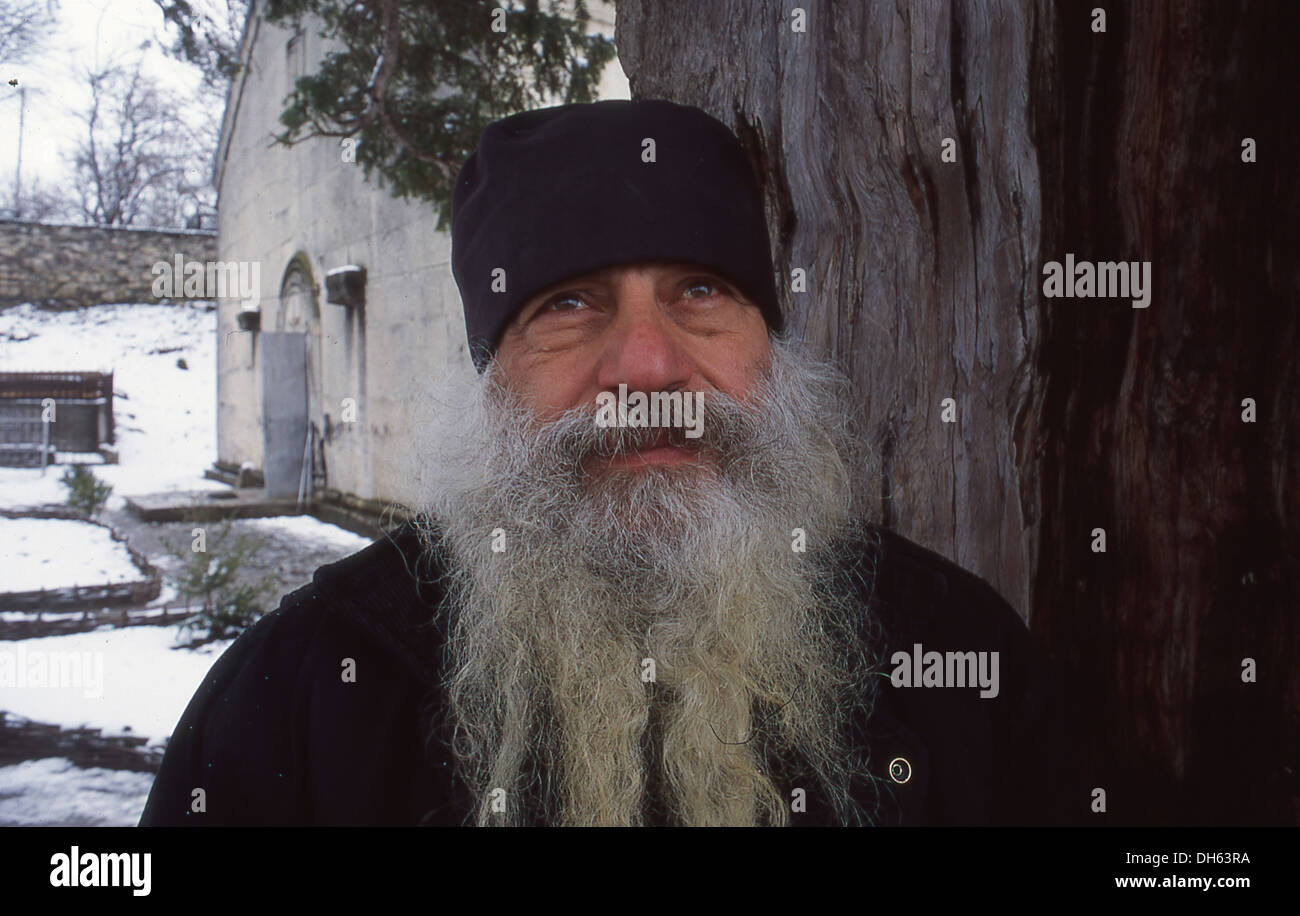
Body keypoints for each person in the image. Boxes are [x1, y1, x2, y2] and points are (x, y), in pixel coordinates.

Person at [139, 98, 1070, 827]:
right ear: (490, 379)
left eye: (700, 291)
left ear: (770, 350)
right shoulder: (302, 700)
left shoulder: (957, 657)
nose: (649, 367)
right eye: (569, 305)